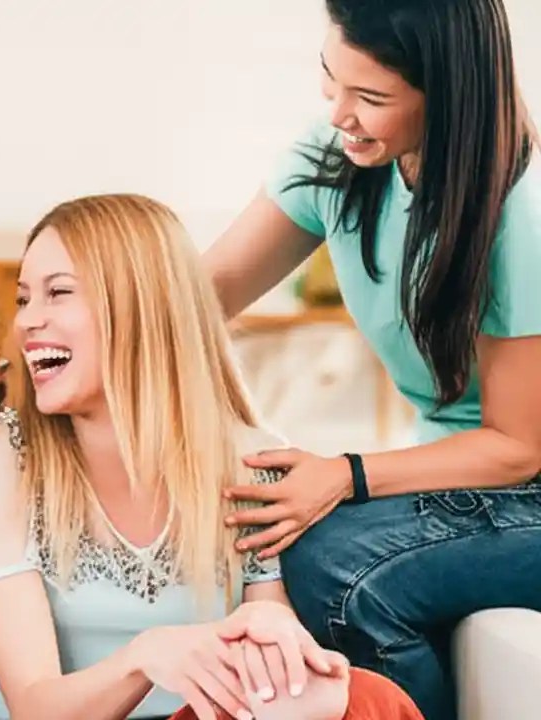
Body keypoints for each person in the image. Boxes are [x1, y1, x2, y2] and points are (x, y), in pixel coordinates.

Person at [0, 194, 422, 720]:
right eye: (24, 299)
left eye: (58, 293)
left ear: (143, 305)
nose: (28, 322)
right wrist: (145, 657)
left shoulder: (254, 458)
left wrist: (277, 641)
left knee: (368, 699)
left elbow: (268, 656)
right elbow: (36, 708)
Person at [204, 1, 541, 717]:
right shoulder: (334, 158)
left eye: (371, 98)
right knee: (283, 532)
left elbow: (518, 449)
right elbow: (203, 298)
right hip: (473, 476)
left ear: (449, 96)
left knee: (342, 568)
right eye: (331, 81)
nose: (340, 114)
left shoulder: (523, 212)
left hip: (528, 483)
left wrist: (345, 474)